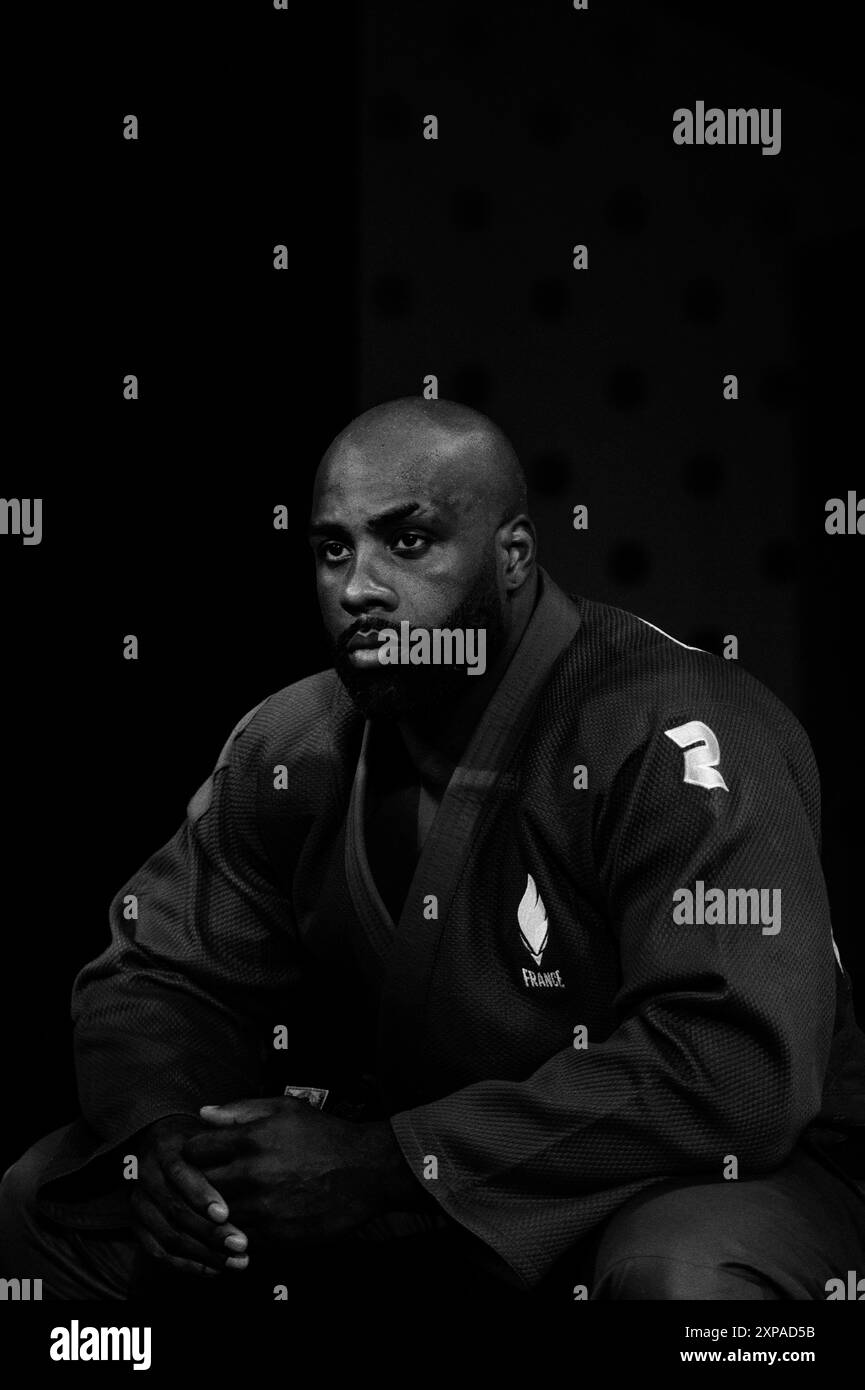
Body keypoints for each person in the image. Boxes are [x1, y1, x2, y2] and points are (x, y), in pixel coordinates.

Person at [2, 397, 864, 1305]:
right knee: (58, 1203)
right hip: (422, 1173)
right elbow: (157, 976)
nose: (358, 589)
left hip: (689, 1173)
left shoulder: (677, 730)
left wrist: (394, 1164)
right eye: (334, 550)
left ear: (514, 555)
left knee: (689, 1281)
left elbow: (733, 1069)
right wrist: (167, 1140)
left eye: (406, 543)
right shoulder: (290, 744)